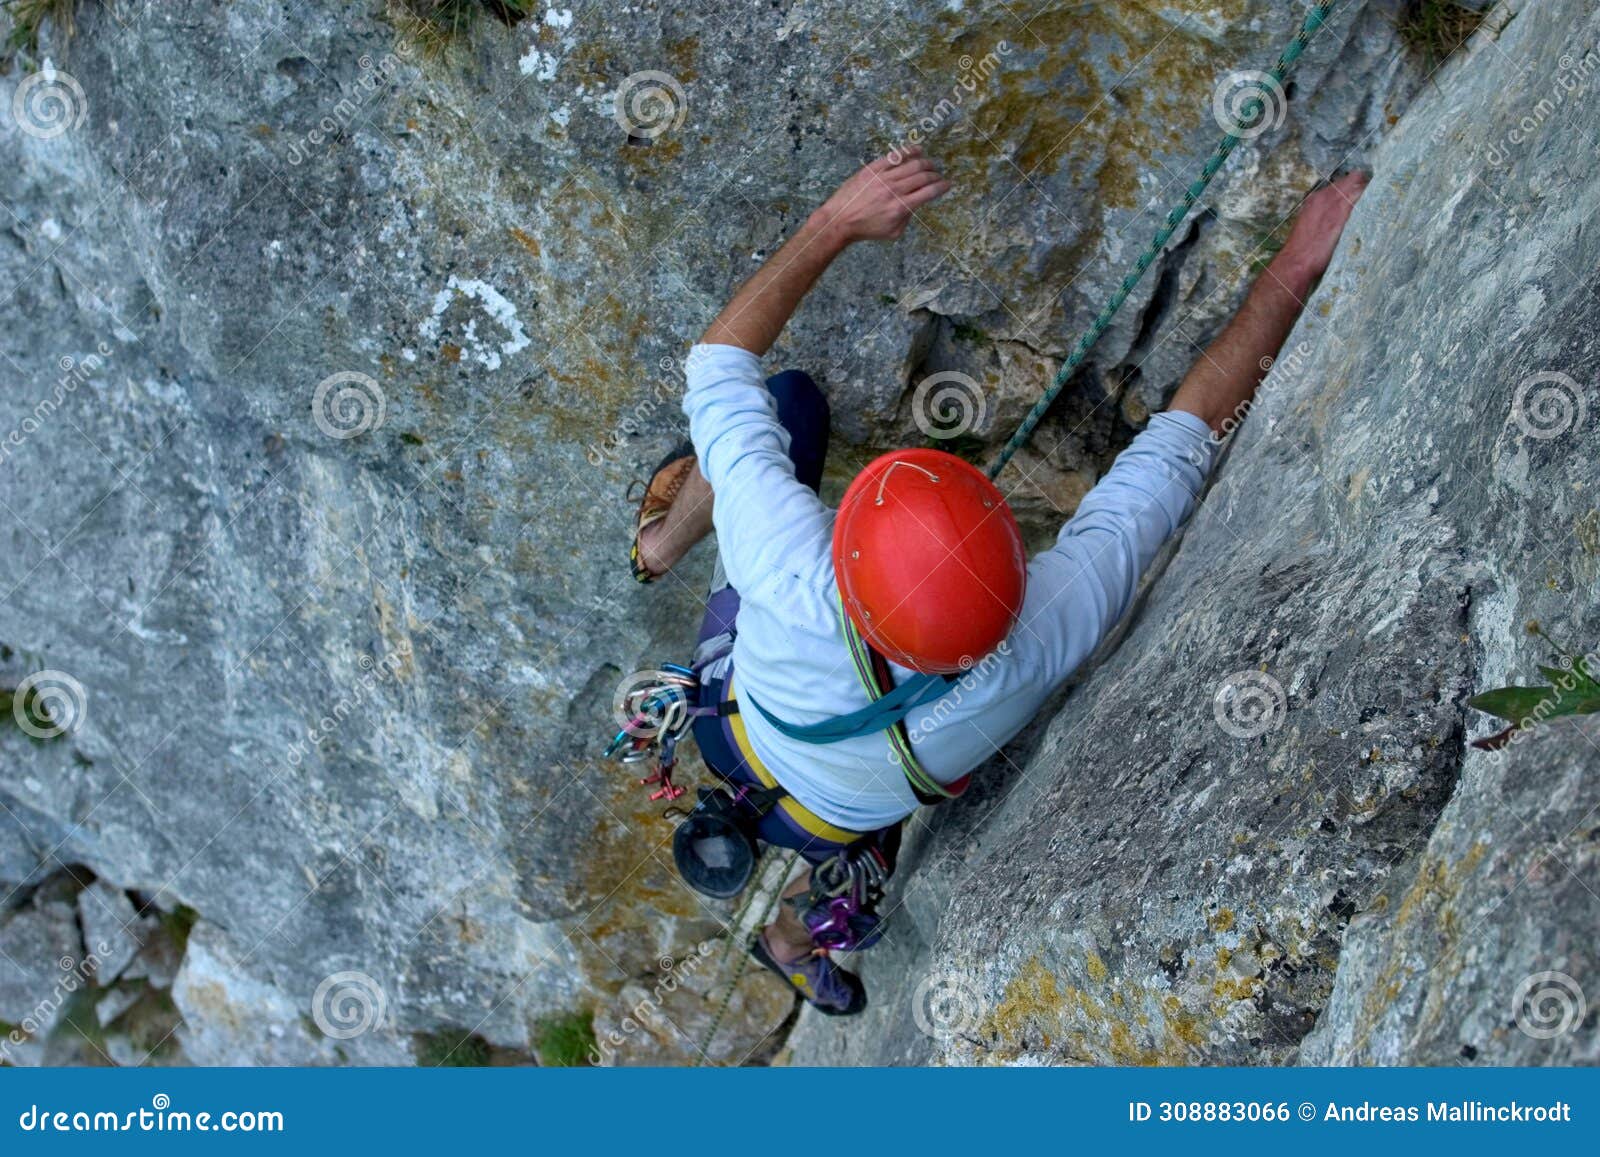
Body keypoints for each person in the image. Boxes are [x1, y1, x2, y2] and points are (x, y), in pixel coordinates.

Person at [628, 148, 1368, 1015]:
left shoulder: (794, 567)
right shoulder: (1030, 645)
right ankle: (796, 925)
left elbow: (718, 363)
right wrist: (1297, 267)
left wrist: (838, 221)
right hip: (843, 813)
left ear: (848, 552)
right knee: (877, 777)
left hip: (735, 729)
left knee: (787, 401)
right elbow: (1183, 445)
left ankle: (662, 544)